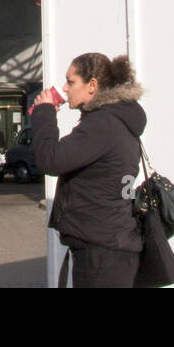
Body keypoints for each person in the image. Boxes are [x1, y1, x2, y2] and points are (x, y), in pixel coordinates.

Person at [30, 52, 145, 288]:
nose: (64, 88)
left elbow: (50, 160)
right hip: (109, 250)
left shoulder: (102, 124)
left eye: (71, 82)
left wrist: (44, 112)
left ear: (92, 85)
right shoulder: (114, 120)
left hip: (102, 255)